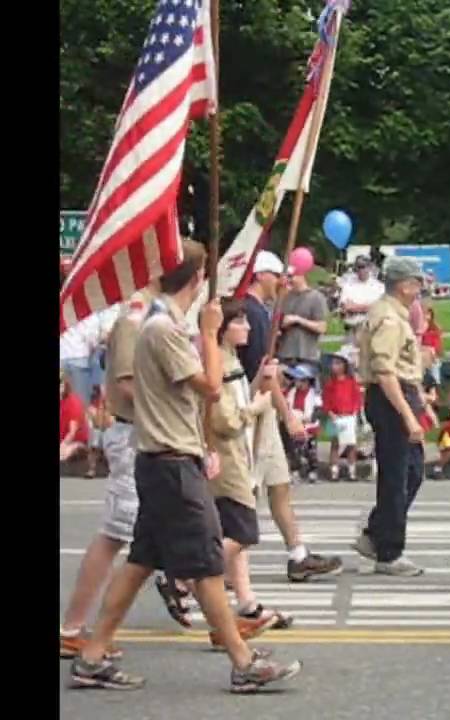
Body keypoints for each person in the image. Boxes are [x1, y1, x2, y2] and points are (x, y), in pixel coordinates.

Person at [69, 240, 301, 693]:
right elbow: (211, 387)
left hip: (168, 458)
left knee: (139, 563)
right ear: (196, 281)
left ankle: (93, 655)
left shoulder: (166, 325)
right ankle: (243, 662)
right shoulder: (163, 330)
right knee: (207, 564)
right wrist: (212, 334)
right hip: (171, 464)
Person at [60, 288, 156, 659]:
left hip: (140, 435)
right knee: (119, 535)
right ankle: (74, 629)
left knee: (166, 533)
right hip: (130, 433)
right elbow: (127, 384)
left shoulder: (146, 314)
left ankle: (224, 622)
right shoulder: (133, 319)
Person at [241, 252, 343, 583]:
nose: (282, 282)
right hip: (255, 411)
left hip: (265, 408)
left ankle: (297, 554)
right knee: (246, 492)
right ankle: (214, 563)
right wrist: (289, 416)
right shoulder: (254, 316)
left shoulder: (261, 313)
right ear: (261, 276)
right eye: (276, 276)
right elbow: (262, 372)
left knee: (279, 484)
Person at [207, 300, 294, 643]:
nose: (247, 327)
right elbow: (225, 418)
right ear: (224, 328)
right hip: (228, 457)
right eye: (239, 321)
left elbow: (242, 396)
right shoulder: (219, 363)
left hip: (240, 453)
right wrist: (257, 407)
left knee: (234, 531)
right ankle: (184, 577)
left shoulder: (232, 362)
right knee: (243, 532)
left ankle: (247, 605)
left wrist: (261, 377)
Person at [350, 258, 430, 577]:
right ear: (404, 285)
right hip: (391, 398)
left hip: (398, 393)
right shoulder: (390, 318)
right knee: (397, 476)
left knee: (411, 472)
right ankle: (389, 551)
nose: (420, 289)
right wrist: (409, 416)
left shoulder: (393, 313)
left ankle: (376, 532)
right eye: (417, 283)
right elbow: (385, 371)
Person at [276, 267, 328, 375]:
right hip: (285, 354)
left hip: (307, 355)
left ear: (302, 276)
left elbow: (322, 327)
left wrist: (298, 320)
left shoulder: (316, 297)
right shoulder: (284, 297)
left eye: (292, 276)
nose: (289, 280)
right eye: (288, 276)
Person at [321, 353, 363, 482]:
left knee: (351, 445)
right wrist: (329, 413)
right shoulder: (329, 384)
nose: (335, 367)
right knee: (335, 444)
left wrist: (355, 411)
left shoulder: (351, 382)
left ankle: (352, 471)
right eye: (333, 364)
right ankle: (334, 470)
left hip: (348, 416)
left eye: (338, 363)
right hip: (335, 416)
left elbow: (357, 398)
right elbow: (326, 400)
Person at [338, 256, 385, 346]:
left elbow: (379, 308)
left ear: (369, 267)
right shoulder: (348, 285)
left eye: (363, 267)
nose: (361, 270)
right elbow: (345, 306)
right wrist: (366, 307)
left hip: (371, 329)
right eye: (358, 267)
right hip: (351, 329)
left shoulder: (378, 287)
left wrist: (355, 307)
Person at [60, 370, 91, 467]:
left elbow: (72, 432)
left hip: (74, 440)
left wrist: (63, 445)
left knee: (63, 453)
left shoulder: (73, 402)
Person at [420, 304, 444, 386]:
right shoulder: (419, 327)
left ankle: (436, 384)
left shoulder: (435, 328)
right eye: (424, 314)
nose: (426, 317)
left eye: (428, 314)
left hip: (433, 355)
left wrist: (435, 352)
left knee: (434, 363)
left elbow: (437, 344)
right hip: (423, 354)